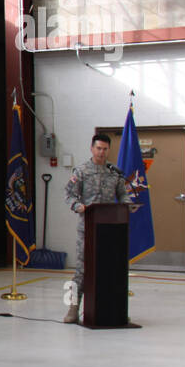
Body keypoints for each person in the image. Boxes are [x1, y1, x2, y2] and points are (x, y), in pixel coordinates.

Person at [63, 133, 129, 323]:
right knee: (81, 271)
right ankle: (73, 309)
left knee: (110, 270)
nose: (101, 152)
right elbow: (68, 194)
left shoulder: (114, 172)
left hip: (109, 231)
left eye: (105, 149)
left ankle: (109, 310)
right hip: (87, 230)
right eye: (98, 148)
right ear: (92, 148)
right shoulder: (82, 171)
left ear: (109, 150)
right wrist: (78, 206)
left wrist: (128, 205)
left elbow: (122, 194)